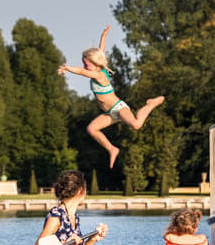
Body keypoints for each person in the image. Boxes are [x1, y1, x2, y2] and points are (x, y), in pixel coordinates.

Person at [58, 24, 165, 168]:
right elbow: (100, 51)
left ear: (96, 64)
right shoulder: (98, 69)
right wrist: (103, 36)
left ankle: (150, 104)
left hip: (118, 108)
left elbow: (82, 72)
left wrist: (67, 68)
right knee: (91, 129)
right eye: (84, 64)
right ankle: (112, 149)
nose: (84, 67)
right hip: (109, 113)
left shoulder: (99, 75)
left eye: (86, 64)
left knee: (136, 124)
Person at [34, 170, 117, 245]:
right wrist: (66, 242)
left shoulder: (75, 217)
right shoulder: (56, 215)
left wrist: (93, 239)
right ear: (80, 191)